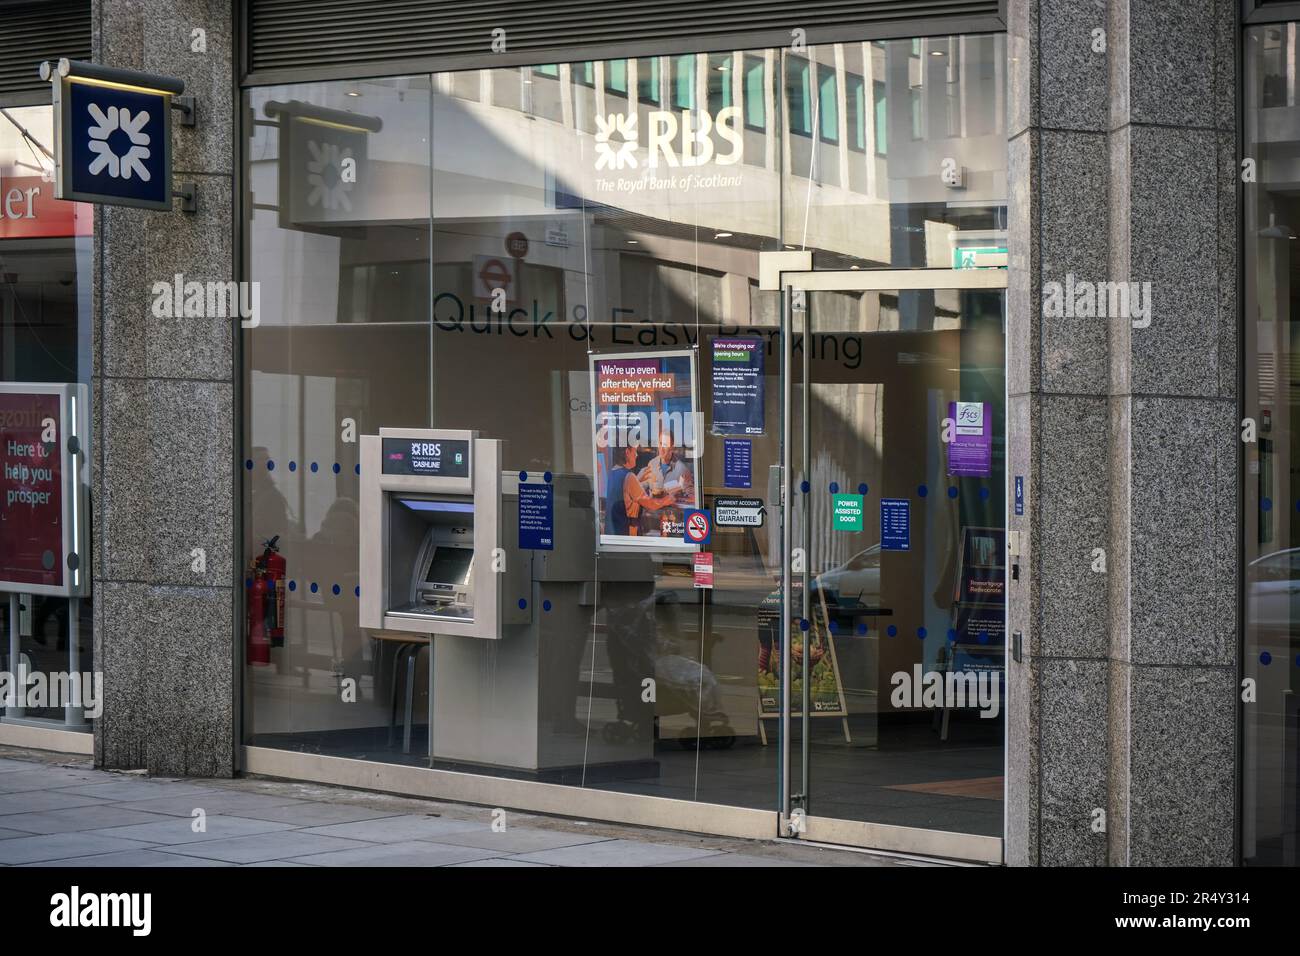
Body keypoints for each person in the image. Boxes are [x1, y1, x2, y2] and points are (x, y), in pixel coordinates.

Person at [605, 444, 670, 536]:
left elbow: (623, 491)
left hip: (614, 532)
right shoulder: (630, 476)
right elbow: (650, 504)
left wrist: (638, 479)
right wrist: (667, 499)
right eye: (634, 451)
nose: (637, 455)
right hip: (627, 533)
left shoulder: (612, 472)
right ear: (627, 452)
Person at [638, 426, 694, 503]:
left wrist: (677, 493)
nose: (661, 448)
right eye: (660, 443)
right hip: (653, 512)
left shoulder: (682, 469)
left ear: (672, 447)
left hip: (672, 512)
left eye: (665, 445)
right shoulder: (652, 464)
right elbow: (641, 487)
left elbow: (691, 497)